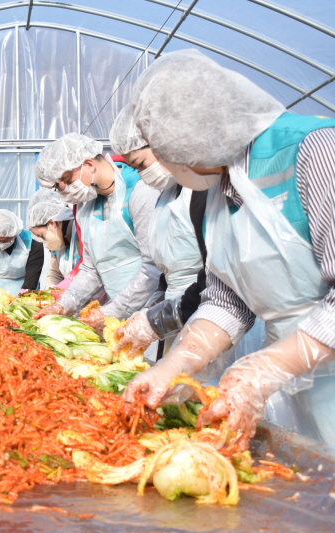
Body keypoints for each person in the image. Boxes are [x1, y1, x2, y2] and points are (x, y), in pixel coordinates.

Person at [123, 49, 335, 449]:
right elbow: (227, 298)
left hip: (311, 358)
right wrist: (176, 363)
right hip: (291, 373)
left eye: (163, 148)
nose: (166, 165)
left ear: (193, 132)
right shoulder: (218, 184)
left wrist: (266, 368)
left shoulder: (315, 150)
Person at [32, 133, 161, 330]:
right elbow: (91, 269)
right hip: (117, 311)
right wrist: (64, 304)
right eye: (58, 188)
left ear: (89, 164)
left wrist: (111, 312)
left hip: (152, 312)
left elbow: (153, 267)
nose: (64, 190)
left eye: (66, 180)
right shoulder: (85, 208)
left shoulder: (139, 191)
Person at [107, 104, 206, 358]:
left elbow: (217, 275)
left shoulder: (202, 191)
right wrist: (152, 309)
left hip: (208, 312)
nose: (141, 174)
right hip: (176, 310)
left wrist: (160, 318)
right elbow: (164, 269)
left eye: (140, 164)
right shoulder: (167, 195)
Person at [27, 189, 81, 290]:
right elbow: (55, 273)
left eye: (42, 236)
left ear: (52, 223)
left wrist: (67, 283)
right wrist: (50, 292)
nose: (45, 243)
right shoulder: (59, 241)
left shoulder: (81, 232)